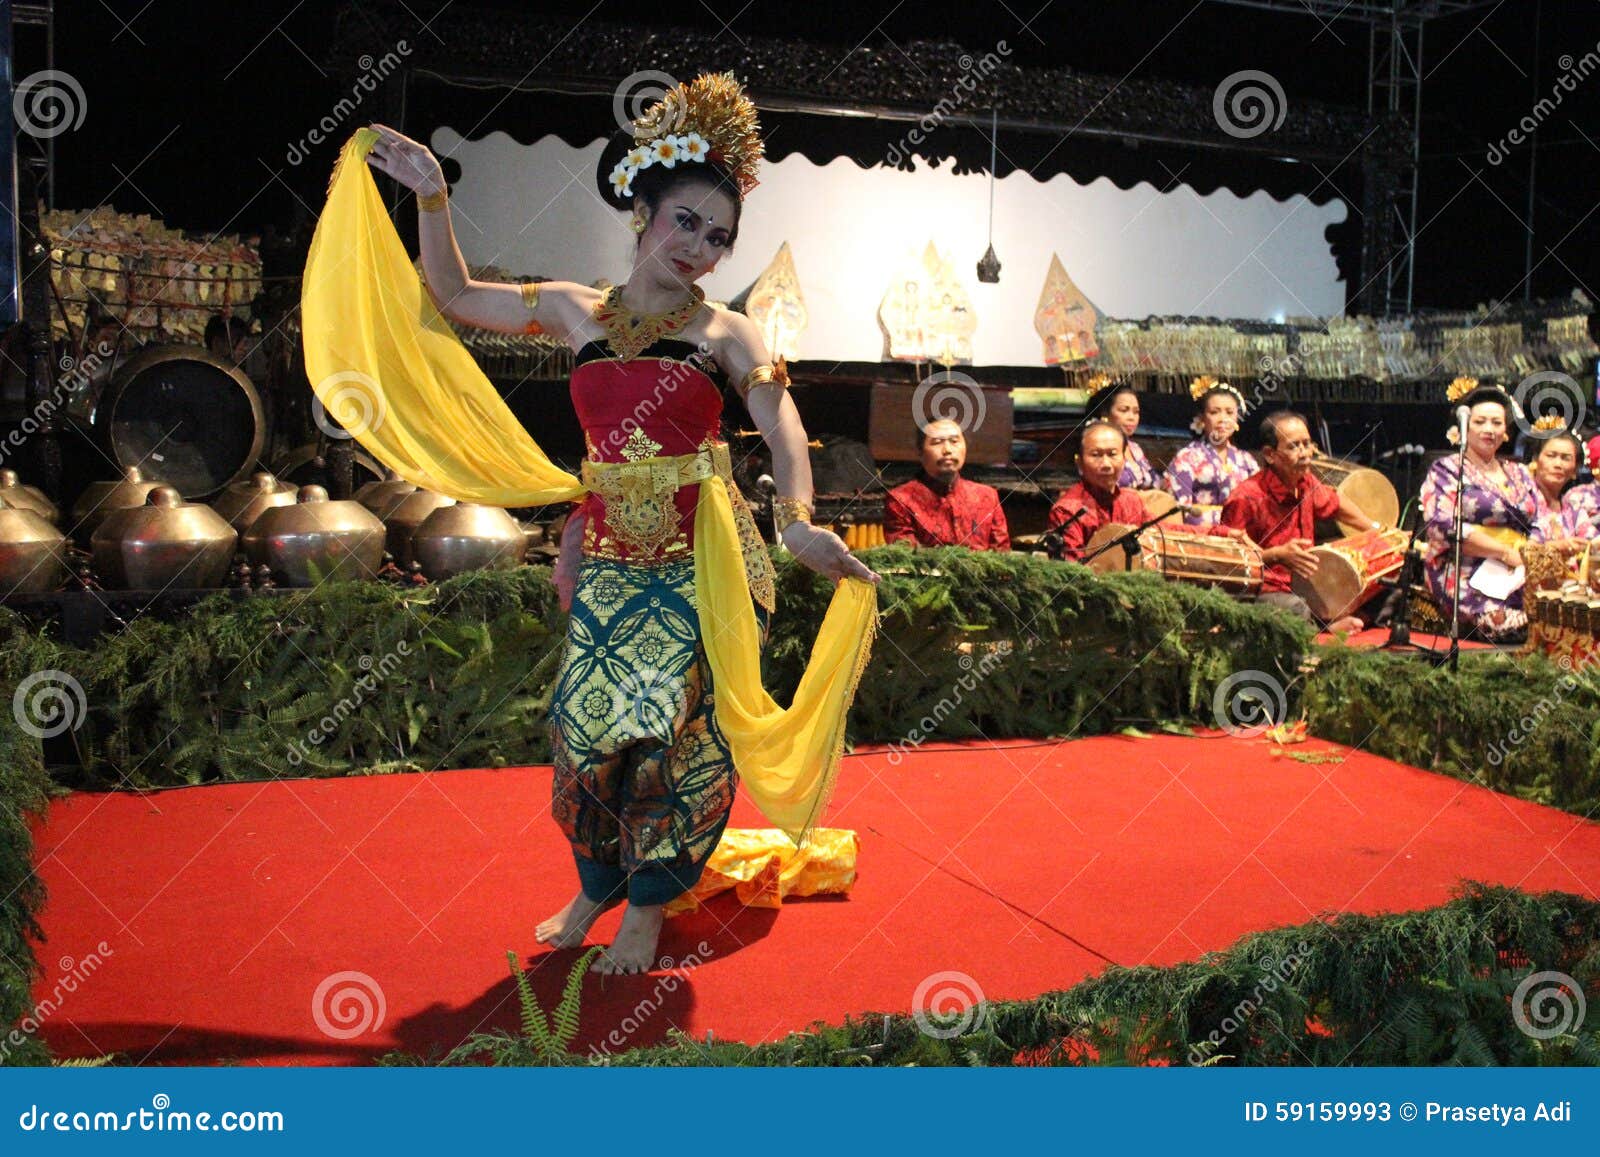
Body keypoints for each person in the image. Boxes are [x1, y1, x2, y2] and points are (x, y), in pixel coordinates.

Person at [357, 73, 880, 975]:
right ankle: (598, 883)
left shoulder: (728, 331)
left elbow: (785, 431)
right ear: (642, 210)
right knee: (584, 726)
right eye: (687, 223)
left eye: (718, 237)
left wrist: (796, 524)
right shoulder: (576, 309)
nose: (701, 249)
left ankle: (646, 906)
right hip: (605, 556)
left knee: (674, 730)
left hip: (698, 560)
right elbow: (453, 294)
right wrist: (434, 196)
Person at [1221, 410, 1383, 632]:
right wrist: (1276, 555)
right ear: (1269, 454)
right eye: (1294, 446)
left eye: (1307, 444)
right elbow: (1229, 563)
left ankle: (1327, 621)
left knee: (1383, 586)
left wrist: (1376, 531)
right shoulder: (1245, 497)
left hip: (1306, 586)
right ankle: (1323, 628)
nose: (1305, 453)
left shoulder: (1306, 483)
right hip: (1264, 591)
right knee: (1294, 608)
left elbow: (1336, 504)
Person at [1418, 382, 1551, 641]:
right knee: (1510, 626)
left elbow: (1541, 519)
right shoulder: (1446, 469)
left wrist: (1526, 554)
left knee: (1558, 621)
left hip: (1520, 569)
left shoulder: (1520, 472)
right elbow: (1442, 524)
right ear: (1465, 428)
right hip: (1465, 569)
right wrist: (1503, 552)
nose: (1489, 429)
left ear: (1506, 432)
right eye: (1480, 422)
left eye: (1496, 423)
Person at [883, 417, 1010, 550]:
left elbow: (1001, 554)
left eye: (954, 441)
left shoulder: (988, 496)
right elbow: (905, 557)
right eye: (937, 442)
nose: (947, 450)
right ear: (920, 452)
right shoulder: (900, 500)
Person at [1162, 376, 1259, 529]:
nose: (1223, 419)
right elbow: (1180, 509)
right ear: (1202, 418)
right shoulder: (1186, 458)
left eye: (1229, 413)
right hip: (1199, 533)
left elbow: (1259, 504)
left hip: (1241, 534)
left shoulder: (1247, 461)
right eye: (1214, 412)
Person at [1045, 420, 1147, 562]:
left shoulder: (1132, 501)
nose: (1106, 464)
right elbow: (1070, 569)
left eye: (1112, 454)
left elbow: (1159, 534)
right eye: (1096, 455)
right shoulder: (1067, 511)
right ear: (1079, 462)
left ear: (1124, 459)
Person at [1085, 375, 1159, 489]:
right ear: (1105, 413)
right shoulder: (1098, 448)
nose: (1132, 417)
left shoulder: (1135, 448)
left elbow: (1154, 480)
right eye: (1124, 410)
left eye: (1136, 412)